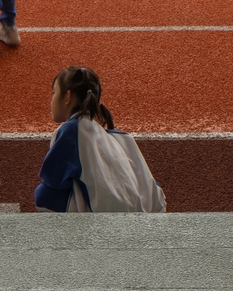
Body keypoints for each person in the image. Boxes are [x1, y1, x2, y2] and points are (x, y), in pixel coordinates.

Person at [32, 66, 165, 213]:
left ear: (67, 97)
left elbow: (54, 180)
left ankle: (82, 233)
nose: (51, 100)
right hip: (148, 222)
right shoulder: (123, 137)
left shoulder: (72, 129)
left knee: (43, 194)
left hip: (109, 227)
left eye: (54, 93)